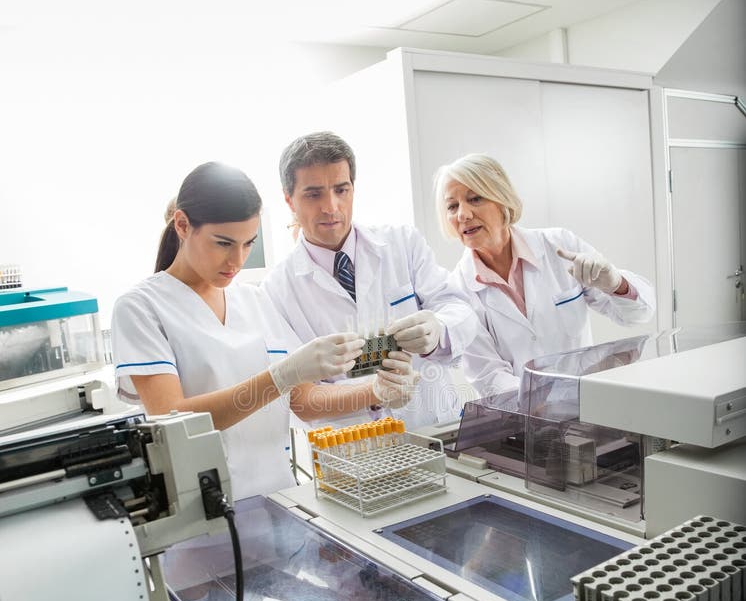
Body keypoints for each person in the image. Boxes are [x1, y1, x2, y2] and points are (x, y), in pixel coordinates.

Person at [111, 161, 417, 501]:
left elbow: (303, 399)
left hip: (281, 497)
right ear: (183, 225)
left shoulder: (254, 300)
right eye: (223, 243)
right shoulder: (140, 307)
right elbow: (173, 420)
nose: (236, 261)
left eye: (247, 244)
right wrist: (280, 376)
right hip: (204, 511)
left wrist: (375, 391)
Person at [261, 131, 479, 429]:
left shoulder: (402, 243)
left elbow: (460, 309)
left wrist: (438, 329)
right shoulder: (276, 290)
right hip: (355, 450)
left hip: (434, 427)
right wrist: (374, 393)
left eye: (341, 189)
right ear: (289, 200)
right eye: (314, 194)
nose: (331, 207)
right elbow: (302, 400)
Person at [434, 153, 656, 398]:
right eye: (452, 206)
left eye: (475, 198)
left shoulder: (559, 246)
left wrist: (617, 284)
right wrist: (547, 401)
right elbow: (489, 375)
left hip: (587, 403)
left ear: (502, 200)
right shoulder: (458, 290)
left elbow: (637, 314)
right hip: (522, 418)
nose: (462, 215)